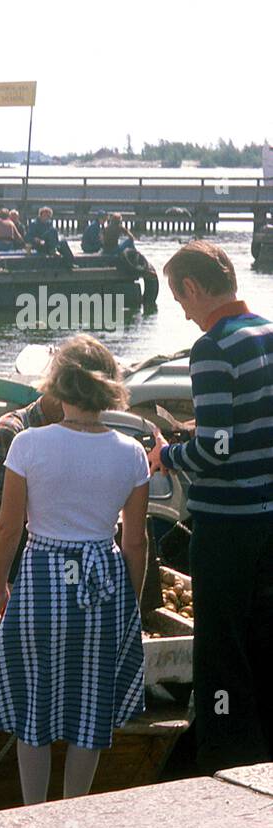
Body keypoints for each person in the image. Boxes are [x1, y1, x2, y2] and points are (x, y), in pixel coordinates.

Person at [0, 336, 152, 805]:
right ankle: (77, 809)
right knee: (91, 707)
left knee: (35, 701)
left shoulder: (29, 443)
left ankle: (36, 813)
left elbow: (7, 528)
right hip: (103, 585)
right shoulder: (131, 452)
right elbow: (135, 541)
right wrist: (130, 603)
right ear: (108, 388)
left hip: (40, 580)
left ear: (58, 385)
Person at [147, 241, 273, 771]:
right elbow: (248, 426)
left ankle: (223, 752)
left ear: (194, 288)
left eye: (180, 299)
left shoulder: (212, 348)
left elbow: (216, 449)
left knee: (220, 650)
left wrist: (168, 454)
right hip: (267, 518)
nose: (182, 311)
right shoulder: (266, 330)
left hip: (227, 526)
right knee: (262, 637)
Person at [0, 390, 64, 587]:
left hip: (24, 542)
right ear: (50, 388)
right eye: (63, 395)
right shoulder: (9, 432)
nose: (65, 404)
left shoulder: (60, 434)